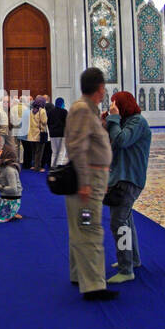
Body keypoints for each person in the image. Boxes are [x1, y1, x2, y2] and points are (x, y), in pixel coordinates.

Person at [66, 68, 117, 301]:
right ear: (100, 88)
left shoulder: (89, 110)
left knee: (82, 226)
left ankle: (81, 275)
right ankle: (94, 285)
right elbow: (77, 148)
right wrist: (86, 183)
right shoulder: (82, 110)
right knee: (89, 228)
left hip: (93, 181)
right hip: (86, 184)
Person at [104, 91, 151, 284]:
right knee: (126, 220)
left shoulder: (137, 122)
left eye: (115, 104)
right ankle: (133, 259)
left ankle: (126, 269)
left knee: (119, 224)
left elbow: (122, 141)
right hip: (121, 179)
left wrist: (113, 118)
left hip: (130, 179)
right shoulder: (126, 122)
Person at [24, 96, 48, 171]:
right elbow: (44, 122)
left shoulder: (31, 110)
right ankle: (38, 167)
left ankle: (34, 165)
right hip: (39, 134)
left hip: (32, 133)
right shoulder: (42, 110)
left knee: (34, 151)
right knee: (39, 152)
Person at [47, 97, 68, 167]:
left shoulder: (50, 112)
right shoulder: (64, 112)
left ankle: (53, 166)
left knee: (54, 152)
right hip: (62, 134)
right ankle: (59, 167)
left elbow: (48, 122)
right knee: (62, 151)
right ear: (62, 103)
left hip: (52, 134)